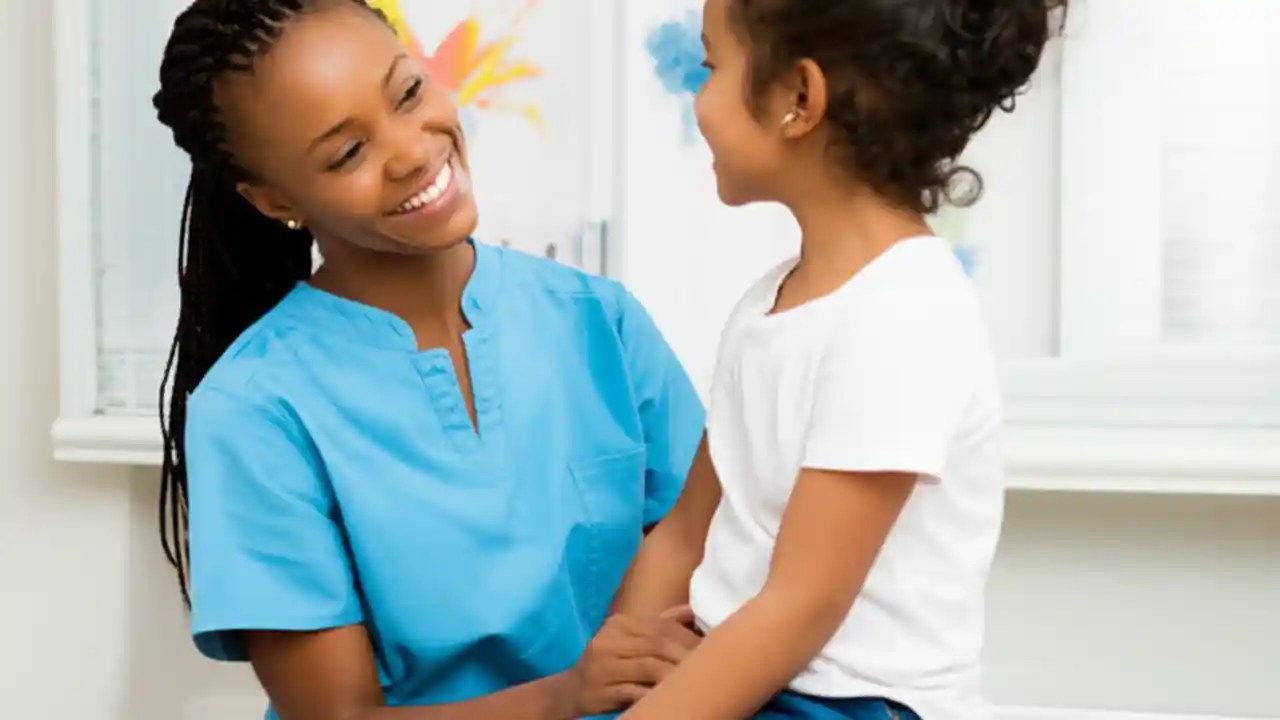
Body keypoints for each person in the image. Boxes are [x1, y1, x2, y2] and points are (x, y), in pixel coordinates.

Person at [150, 1, 707, 718]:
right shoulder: (254, 409)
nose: (413, 151)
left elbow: (716, 553)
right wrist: (567, 698)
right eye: (347, 152)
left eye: (408, 92)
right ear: (274, 199)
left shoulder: (601, 320)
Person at [610, 0, 1066, 718]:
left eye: (712, 66)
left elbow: (800, 607)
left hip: (854, 703)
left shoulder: (902, 311)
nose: (697, 100)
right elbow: (684, 534)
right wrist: (612, 667)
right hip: (755, 672)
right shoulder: (771, 304)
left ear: (799, 98)